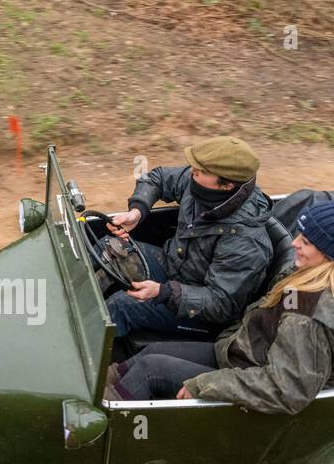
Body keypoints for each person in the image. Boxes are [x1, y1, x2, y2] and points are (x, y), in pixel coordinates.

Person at [107, 199, 334, 415]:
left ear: (332, 255)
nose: (296, 244)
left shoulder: (309, 316)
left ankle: (98, 439)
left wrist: (207, 386)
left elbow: (287, 390)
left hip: (259, 372)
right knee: (149, 355)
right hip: (247, 351)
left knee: (150, 369)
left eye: (309, 242)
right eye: (300, 235)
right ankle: (101, 392)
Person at [101, 136, 274, 338]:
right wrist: (137, 211)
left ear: (227, 185)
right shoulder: (199, 182)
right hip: (171, 267)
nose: (192, 172)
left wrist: (164, 293)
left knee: (121, 306)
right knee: (108, 246)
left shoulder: (246, 241)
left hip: (200, 313)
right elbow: (158, 177)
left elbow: (221, 305)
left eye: (200, 171)